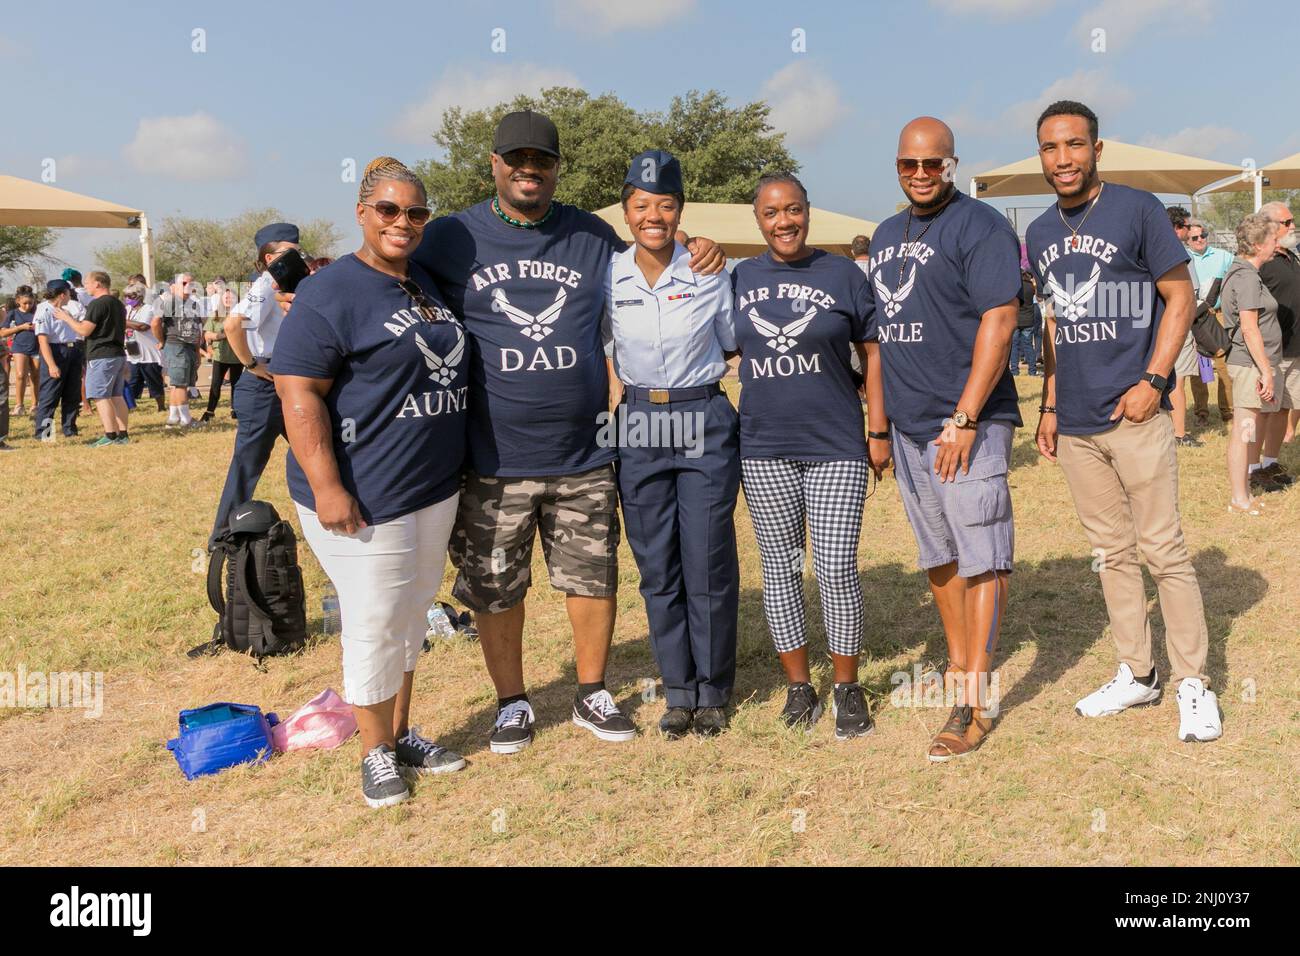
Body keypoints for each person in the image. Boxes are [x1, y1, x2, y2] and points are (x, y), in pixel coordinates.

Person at [410, 109, 725, 753]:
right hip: (494, 453)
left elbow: (651, 239)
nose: (530, 170)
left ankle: (591, 692)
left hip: (584, 448)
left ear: (557, 169)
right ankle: (512, 702)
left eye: (543, 161)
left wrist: (693, 240)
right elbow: (390, 269)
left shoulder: (589, 233)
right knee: (497, 586)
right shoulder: (451, 237)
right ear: (495, 164)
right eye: (517, 159)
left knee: (592, 575)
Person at [272, 156, 468, 809]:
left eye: (415, 212)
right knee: (374, 618)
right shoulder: (334, 291)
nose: (402, 222)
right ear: (362, 213)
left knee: (413, 614)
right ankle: (374, 752)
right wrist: (327, 484)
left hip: (431, 487)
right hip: (364, 490)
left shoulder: (424, 281)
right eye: (388, 209)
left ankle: (402, 732)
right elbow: (298, 389)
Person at [1028, 99, 1220, 743]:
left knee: (1163, 549)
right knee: (1111, 553)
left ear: (1097, 149)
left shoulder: (1136, 208)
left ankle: (1193, 681)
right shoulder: (1040, 232)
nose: (1064, 159)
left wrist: (1155, 379)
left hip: (1135, 412)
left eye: (1075, 145)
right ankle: (1138, 674)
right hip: (1078, 422)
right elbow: (1055, 322)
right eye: (1052, 148)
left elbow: (1181, 296)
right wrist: (1051, 404)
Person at [865, 117, 1021, 761]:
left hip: (967, 424)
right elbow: (877, 335)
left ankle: (973, 705)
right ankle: (960, 668)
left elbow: (1002, 318)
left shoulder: (980, 225)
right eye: (910, 165)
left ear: (952, 165)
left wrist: (964, 417)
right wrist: (880, 424)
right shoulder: (884, 232)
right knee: (940, 554)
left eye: (934, 165)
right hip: (907, 424)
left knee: (981, 554)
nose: (922, 175)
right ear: (898, 166)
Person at [734, 172, 877, 740]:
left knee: (837, 568)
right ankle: (799, 687)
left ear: (808, 212)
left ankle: (846, 685)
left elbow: (872, 349)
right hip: (764, 444)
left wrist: (880, 429)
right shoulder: (739, 278)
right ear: (758, 220)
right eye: (771, 213)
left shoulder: (842, 272)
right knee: (780, 569)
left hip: (836, 442)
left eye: (792, 210)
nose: (783, 222)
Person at [604, 150, 740, 739]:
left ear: (680, 210)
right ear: (627, 211)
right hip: (639, 419)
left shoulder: (710, 270)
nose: (653, 215)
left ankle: (713, 689)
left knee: (707, 560)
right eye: (641, 205)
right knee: (657, 564)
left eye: (665, 204)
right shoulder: (609, 274)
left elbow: (735, 339)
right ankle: (678, 690)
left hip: (701, 414)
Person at [210, 223, 304, 546]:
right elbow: (233, 323)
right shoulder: (266, 285)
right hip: (264, 387)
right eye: (289, 252)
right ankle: (223, 537)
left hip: (285, 383)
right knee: (247, 465)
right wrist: (251, 364)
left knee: (315, 450)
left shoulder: (281, 286)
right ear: (269, 257)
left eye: (298, 250)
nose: (297, 256)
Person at [1220, 213, 1282, 513]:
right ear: (1258, 245)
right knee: (1244, 432)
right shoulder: (1245, 277)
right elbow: (1249, 328)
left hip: (1252, 365)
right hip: (1249, 366)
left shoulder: (1248, 273)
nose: (1276, 244)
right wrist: (1266, 371)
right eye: (1272, 239)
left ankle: (1242, 493)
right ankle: (1238, 498)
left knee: (1248, 431)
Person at [57, 271, 130, 446]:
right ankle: (123, 434)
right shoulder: (118, 304)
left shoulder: (98, 304)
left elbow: (84, 331)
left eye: (88, 283)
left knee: (100, 395)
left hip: (102, 355)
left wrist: (66, 318)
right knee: (116, 395)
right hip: (118, 353)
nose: (85, 286)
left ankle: (110, 435)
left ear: (98, 283)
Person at [1254, 201, 1298, 488]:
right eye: (1287, 222)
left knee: (1284, 408)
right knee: (1263, 411)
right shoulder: (1261, 261)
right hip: (1273, 352)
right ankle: (1252, 467)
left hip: (1296, 349)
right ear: (1270, 226)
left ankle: (1270, 463)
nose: (1293, 225)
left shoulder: (1291, 256)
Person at [1186, 219, 1235, 426]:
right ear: (1187, 241)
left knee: (1225, 367)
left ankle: (1229, 412)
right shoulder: (1184, 258)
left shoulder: (1223, 256)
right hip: (1195, 318)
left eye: (1203, 235)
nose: (1200, 240)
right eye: (1194, 238)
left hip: (1218, 314)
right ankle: (1201, 413)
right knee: (1200, 368)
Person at [32, 279, 84, 440]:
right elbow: (42, 341)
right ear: (62, 294)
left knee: (72, 394)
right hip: (55, 351)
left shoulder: (64, 310)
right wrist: (51, 364)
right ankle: (44, 433)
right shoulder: (44, 311)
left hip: (72, 349)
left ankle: (70, 429)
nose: (71, 295)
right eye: (69, 293)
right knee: (50, 395)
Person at [156, 273, 205, 428]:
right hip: (176, 345)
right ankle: (186, 420)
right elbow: (155, 322)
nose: (188, 286)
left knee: (178, 384)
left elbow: (197, 330)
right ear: (174, 286)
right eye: (184, 283)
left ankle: (174, 418)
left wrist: (197, 351)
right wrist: (162, 340)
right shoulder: (170, 302)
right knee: (181, 384)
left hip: (189, 346)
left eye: (191, 283)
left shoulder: (194, 304)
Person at [123, 282, 165, 411]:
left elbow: (143, 326)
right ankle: (130, 406)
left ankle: (161, 406)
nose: (127, 299)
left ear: (139, 296)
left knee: (154, 381)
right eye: (126, 296)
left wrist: (122, 321)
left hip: (149, 352)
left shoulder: (149, 309)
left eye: (130, 296)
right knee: (132, 380)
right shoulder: (127, 310)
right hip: (132, 349)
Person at [202, 297, 243, 424]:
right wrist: (223, 335)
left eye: (231, 297)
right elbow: (207, 335)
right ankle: (210, 411)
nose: (228, 299)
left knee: (236, 385)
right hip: (220, 356)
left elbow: (248, 332)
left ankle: (235, 410)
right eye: (225, 297)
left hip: (237, 356)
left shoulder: (241, 314)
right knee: (215, 384)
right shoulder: (215, 315)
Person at [4, 288, 39, 415]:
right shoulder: (13, 313)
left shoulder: (37, 312)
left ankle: (35, 405)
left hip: (36, 346)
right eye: (25, 303)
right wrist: (21, 327)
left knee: (35, 376)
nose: (28, 306)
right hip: (19, 347)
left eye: (31, 303)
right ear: (18, 301)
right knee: (20, 375)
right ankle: (19, 406)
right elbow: (3, 332)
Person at [1009, 270, 1039, 376]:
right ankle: (1032, 371)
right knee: (1028, 345)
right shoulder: (1031, 286)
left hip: (1016, 320)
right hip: (1028, 319)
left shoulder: (1015, 287)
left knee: (1014, 346)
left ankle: (1014, 370)